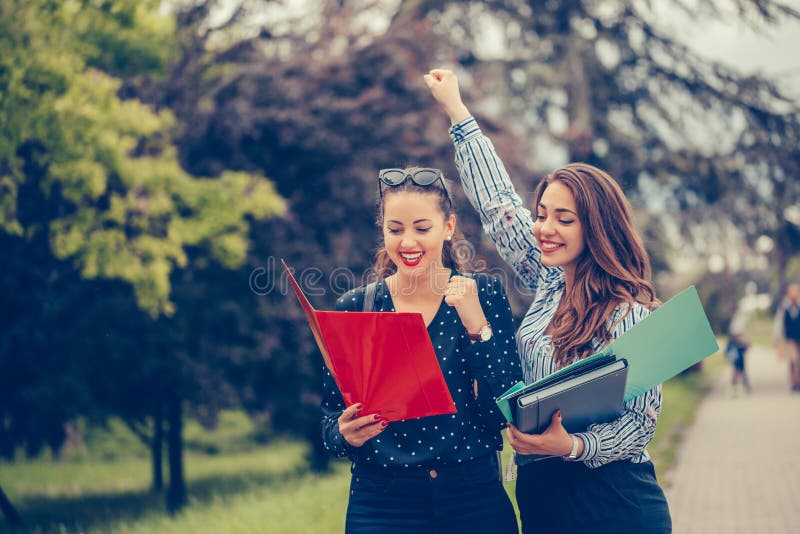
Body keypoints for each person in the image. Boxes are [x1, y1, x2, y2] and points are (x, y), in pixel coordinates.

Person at [425, 68, 671, 534]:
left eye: (564, 218)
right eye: (541, 215)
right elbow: (499, 206)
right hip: (542, 498)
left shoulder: (630, 314)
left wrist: (572, 446)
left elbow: (641, 424)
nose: (544, 228)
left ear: (596, 227)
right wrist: (458, 113)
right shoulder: (546, 281)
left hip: (613, 501)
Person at [320, 167, 521, 533]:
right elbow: (330, 425)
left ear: (448, 227)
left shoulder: (486, 295)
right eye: (395, 229)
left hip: (472, 498)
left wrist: (478, 328)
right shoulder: (356, 307)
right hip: (382, 504)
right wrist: (344, 433)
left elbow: (504, 412)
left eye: (422, 228)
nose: (408, 242)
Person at [773, 283, 800, 391]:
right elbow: (778, 324)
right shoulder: (784, 307)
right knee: (793, 360)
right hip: (790, 338)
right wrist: (777, 341)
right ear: (789, 293)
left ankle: (798, 381)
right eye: (793, 291)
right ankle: (793, 381)